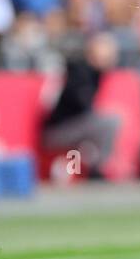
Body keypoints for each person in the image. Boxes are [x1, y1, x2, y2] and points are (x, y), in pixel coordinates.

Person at [42, 32, 122, 179]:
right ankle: (98, 168)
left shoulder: (94, 73)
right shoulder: (80, 71)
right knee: (110, 122)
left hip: (69, 128)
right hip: (58, 132)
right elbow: (80, 104)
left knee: (104, 123)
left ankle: (93, 165)